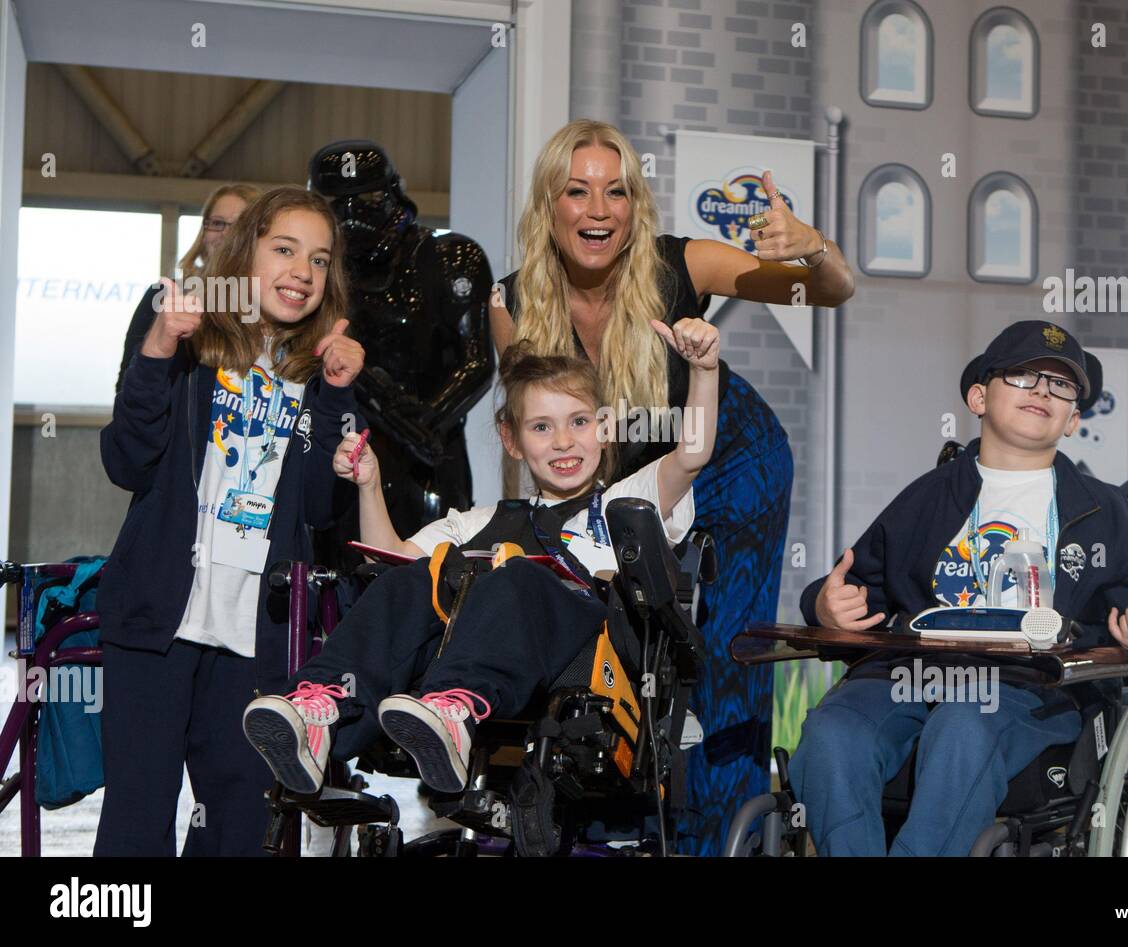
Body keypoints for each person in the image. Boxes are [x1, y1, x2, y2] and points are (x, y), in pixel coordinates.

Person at [490, 118, 856, 854]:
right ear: (548, 205)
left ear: (635, 204)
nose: (599, 209)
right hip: (637, 479)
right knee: (614, 639)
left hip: (732, 461)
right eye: (578, 190)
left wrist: (811, 247)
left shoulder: (678, 262)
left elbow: (831, 291)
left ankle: (721, 833)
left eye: (617, 191)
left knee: (714, 653)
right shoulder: (511, 303)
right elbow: (540, 429)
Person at [241, 319, 718, 801]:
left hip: (583, 669)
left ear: (607, 427)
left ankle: (456, 712)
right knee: (410, 580)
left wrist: (704, 369)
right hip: (470, 664)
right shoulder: (480, 521)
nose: (562, 442)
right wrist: (368, 485)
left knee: (515, 576)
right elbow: (389, 564)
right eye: (541, 427)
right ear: (512, 440)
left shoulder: (621, 501)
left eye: (579, 421)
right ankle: (321, 713)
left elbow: (693, 453)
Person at [789, 321, 1128, 856]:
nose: (1041, 390)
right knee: (831, 735)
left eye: (1061, 386)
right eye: (1024, 375)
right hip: (908, 676)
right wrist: (825, 604)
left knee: (963, 727)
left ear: (1074, 418)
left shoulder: (1103, 512)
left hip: (1026, 688)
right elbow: (851, 587)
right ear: (979, 396)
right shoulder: (927, 499)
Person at [94, 187, 365, 856]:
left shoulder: (315, 368)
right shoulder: (189, 344)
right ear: (244, 252)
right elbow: (125, 460)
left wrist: (334, 394)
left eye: (320, 259)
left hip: (257, 636)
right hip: (158, 621)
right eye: (284, 249)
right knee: (137, 822)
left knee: (240, 826)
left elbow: (318, 508)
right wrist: (159, 349)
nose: (303, 270)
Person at [307, 140, 494, 569]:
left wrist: (423, 423)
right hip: (345, 452)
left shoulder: (449, 257)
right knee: (340, 577)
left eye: (368, 199)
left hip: (430, 457)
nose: (353, 215)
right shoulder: (317, 273)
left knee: (430, 578)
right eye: (339, 205)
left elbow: (478, 362)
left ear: (393, 192)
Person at [115, 183, 260, 392]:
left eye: (239, 225)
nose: (225, 234)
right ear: (203, 233)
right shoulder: (164, 295)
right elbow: (128, 385)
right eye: (217, 223)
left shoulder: (271, 307)